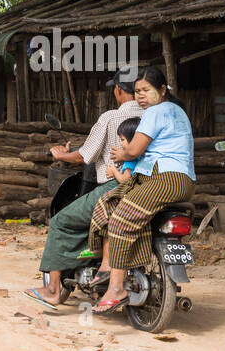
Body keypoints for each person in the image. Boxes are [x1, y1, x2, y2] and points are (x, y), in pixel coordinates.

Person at [24, 71, 143, 309]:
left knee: (60, 221)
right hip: (147, 185)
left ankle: (53, 289)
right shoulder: (153, 114)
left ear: (118, 90)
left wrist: (60, 154)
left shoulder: (110, 117)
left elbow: (84, 155)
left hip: (115, 184)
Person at [89, 66, 196, 313]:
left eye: (146, 90)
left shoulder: (155, 112)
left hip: (165, 179)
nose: (140, 96)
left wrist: (121, 153)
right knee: (111, 202)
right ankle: (108, 266)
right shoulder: (177, 110)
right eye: (137, 91)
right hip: (179, 180)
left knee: (120, 220)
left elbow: (135, 150)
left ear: (161, 89)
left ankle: (116, 288)